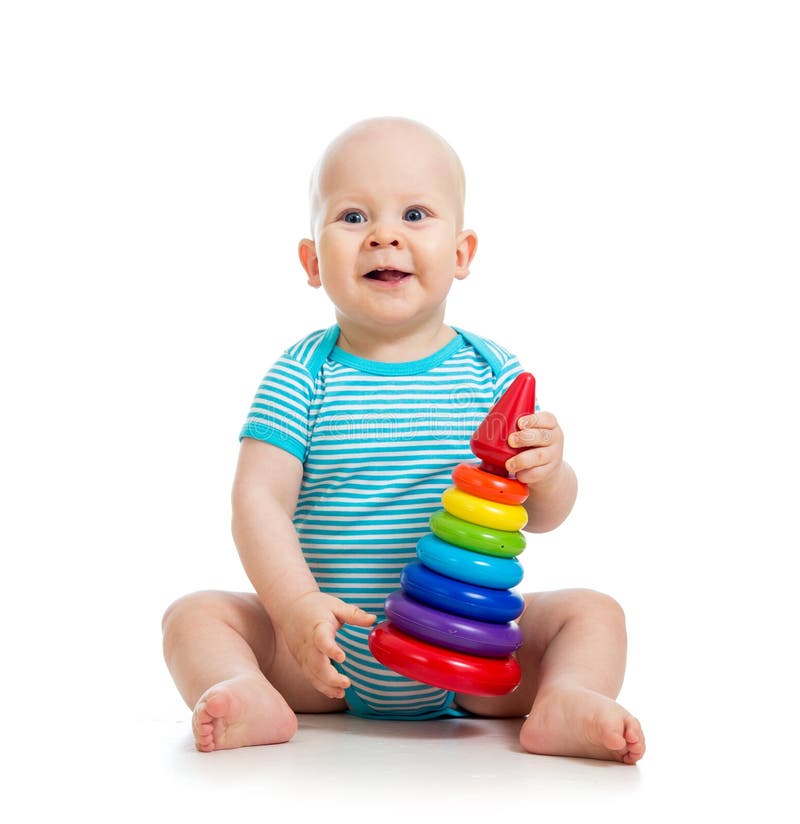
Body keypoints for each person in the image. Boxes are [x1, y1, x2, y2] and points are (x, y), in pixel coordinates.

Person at [161, 116, 646, 764]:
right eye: (354, 217)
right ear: (311, 261)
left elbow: (544, 516)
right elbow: (257, 501)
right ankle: (249, 691)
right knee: (194, 617)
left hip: (472, 652)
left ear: (462, 253)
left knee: (595, 615)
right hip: (324, 652)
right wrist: (297, 608)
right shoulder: (301, 376)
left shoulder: (494, 374)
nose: (385, 234)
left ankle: (566, 696)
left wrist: (551, 473)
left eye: (415, 214)